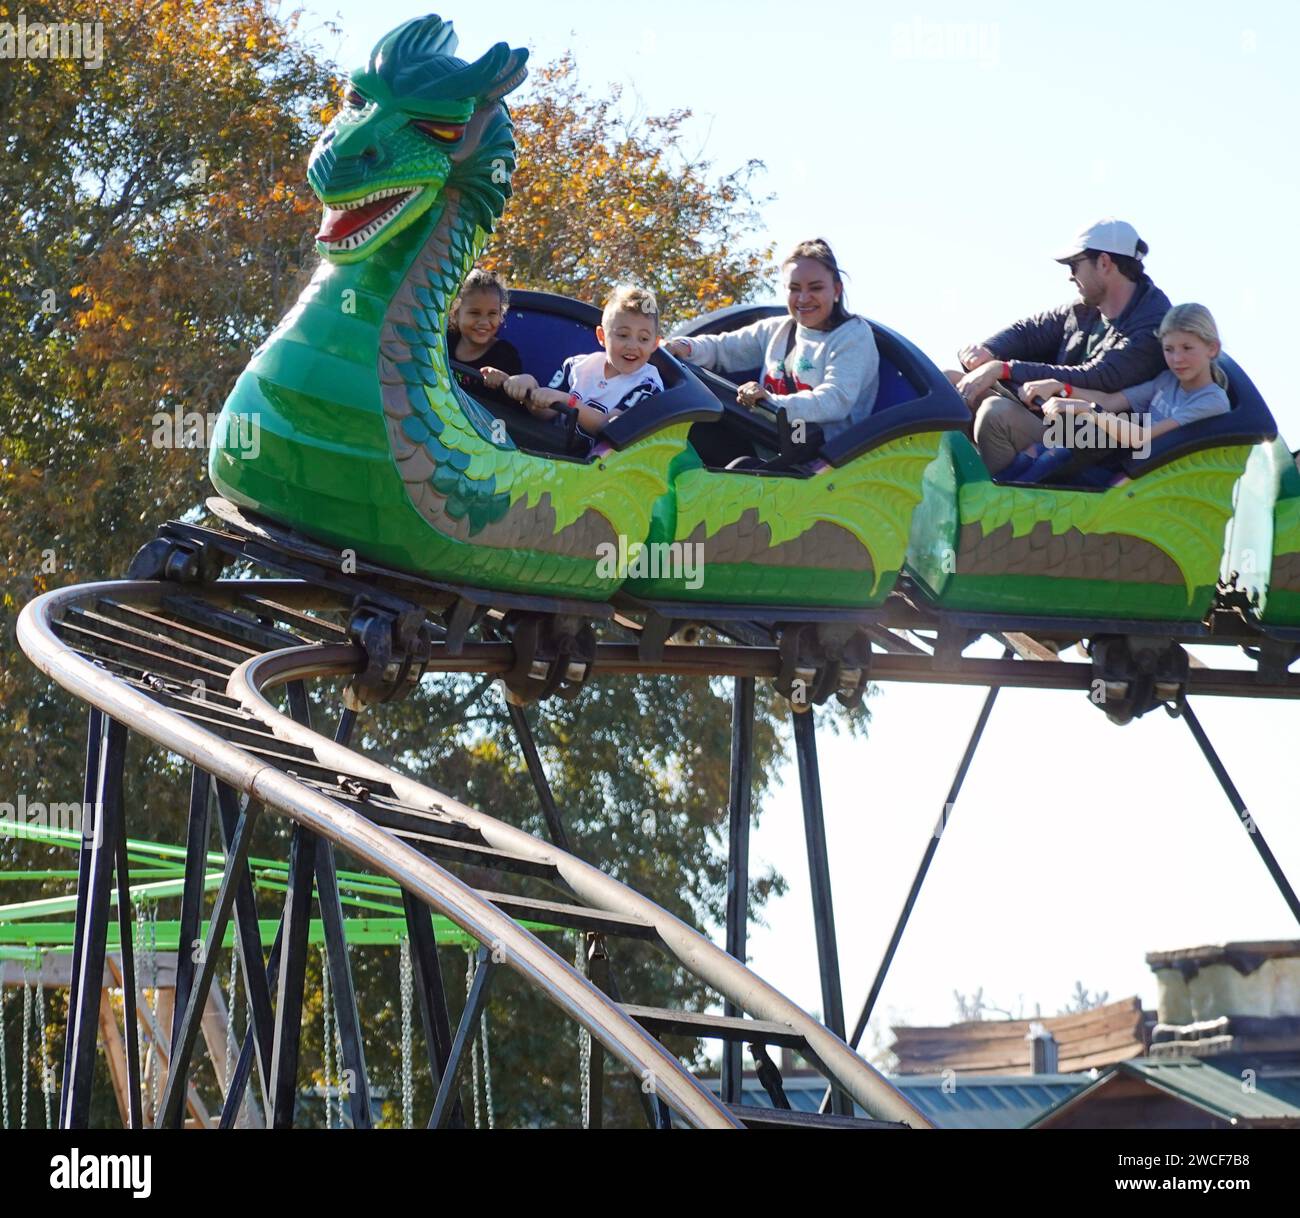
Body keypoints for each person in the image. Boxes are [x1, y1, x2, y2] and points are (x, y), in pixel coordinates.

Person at [951, 219, 1172, 475]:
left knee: (995, 414)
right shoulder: (1085, 307)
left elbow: (1098, 378)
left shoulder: (1152, 326)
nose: (1070, 276)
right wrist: (987, 352)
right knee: (950, 386)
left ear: (1104, 263)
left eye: (1074, 265)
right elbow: (1031, 331)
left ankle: (992, 512)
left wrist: (1003, 369)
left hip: (1097, 440)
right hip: (1054, 418)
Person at [662, 238, 879, 445]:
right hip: (770, 439)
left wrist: (770, 402)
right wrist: (684, 347)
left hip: (820, 458)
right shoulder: (778, 329)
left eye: (815, 288)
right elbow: (723, 348)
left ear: (837, 290)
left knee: (734, 465)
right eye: (794, 289)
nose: (803, 298)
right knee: (693, 434)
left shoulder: (853, 336)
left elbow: (835, 401)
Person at [997, 303, 1232, 485]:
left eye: (1187, 348)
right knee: (1049, 453)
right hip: (1128, 469)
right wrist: (1062, 388)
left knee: (1061, 462)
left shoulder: (1212, 401)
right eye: (1169, 350)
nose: (1177, 359)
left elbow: (1142, 438)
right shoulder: (1167, 380)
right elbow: (1110, 401)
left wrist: (1087, 410)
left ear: (1212, 348)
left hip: (1152, 483)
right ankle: (995, 487)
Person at [500, 284, 663, 439]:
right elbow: (545, 412)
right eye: (623, 335)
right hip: (553, 449)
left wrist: (569, 401)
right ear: (602, 336)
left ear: (654, 344)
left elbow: (611, 427)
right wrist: (530, 389)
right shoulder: (576, 366)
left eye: (643, 338)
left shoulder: (648, 385)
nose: (632, 346)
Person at [448, 268, 522, 381]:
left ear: (500, 315)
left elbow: (517, 395)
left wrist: (505, 380)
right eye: (475, 313)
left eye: (492, 313)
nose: (484, 322)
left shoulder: (505, 356)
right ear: (456, 313)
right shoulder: (445, 342)